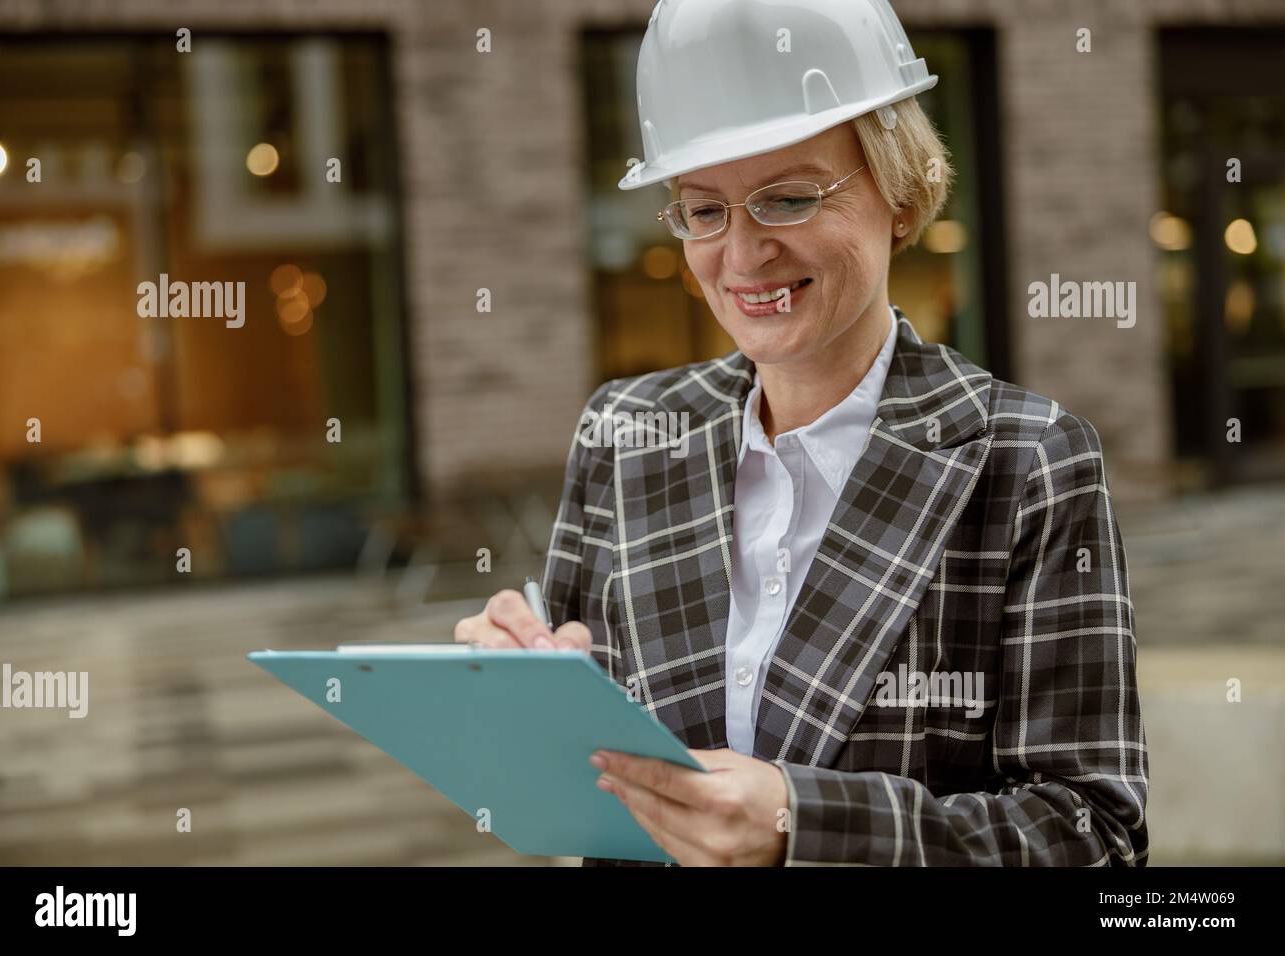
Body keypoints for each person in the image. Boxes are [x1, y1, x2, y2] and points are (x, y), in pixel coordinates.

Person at [455, 0, 1148, 867]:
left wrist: (801, 821)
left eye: (786, 199)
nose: (742, 258)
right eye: (703, 212)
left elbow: (1094, 837)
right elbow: (578, 789)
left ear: (900, 195)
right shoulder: (625, 435)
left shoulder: (1028, 460)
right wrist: (522, 702)